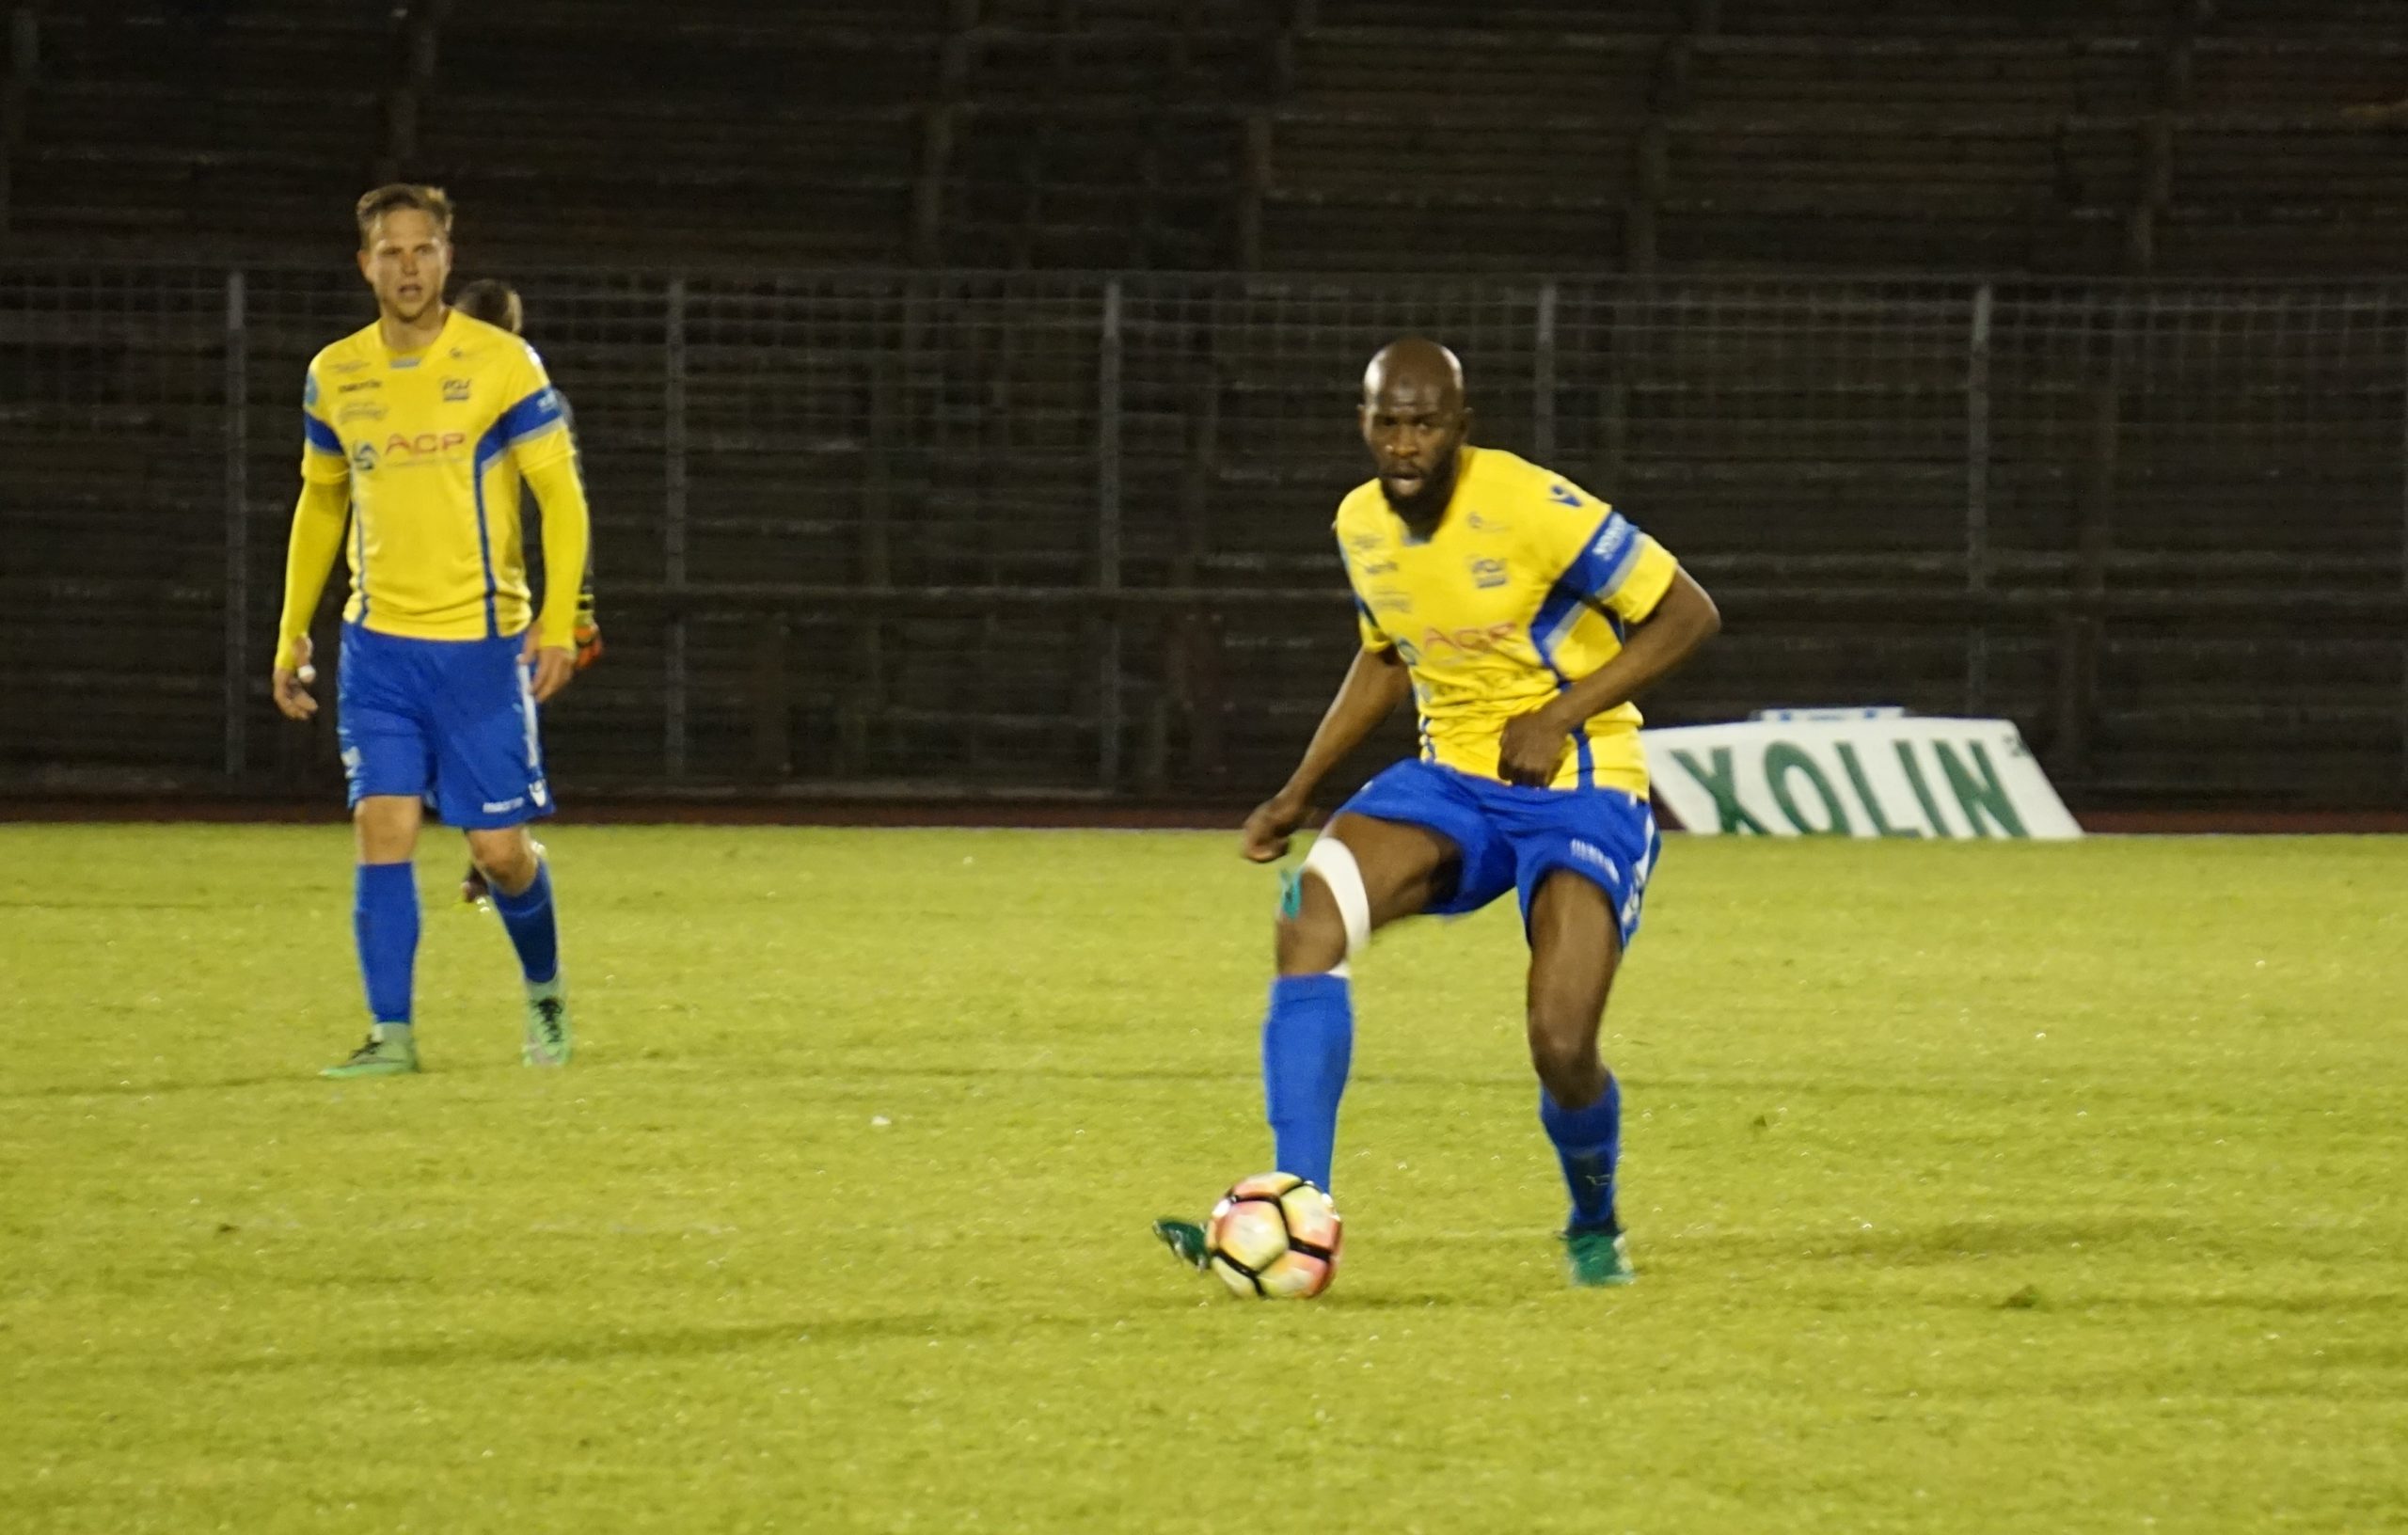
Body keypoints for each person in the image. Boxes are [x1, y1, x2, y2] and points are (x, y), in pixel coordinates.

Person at [1153, 339, 1720, 1287]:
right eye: (1388, 423)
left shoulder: (1532, 505)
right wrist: (1299, 790)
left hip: (1578, 780)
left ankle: (1593, 1220)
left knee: (1561, 1043)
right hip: (1451, 781)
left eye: (1424, 423)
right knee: (1308, 919)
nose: (1405, 443)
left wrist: (1560, 713)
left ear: (1462, 425)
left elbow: (1689, 613)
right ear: (1363, 424)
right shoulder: (1359, 525)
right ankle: (1301, 1203)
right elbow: (1385, 655)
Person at [270, 184, 593, 1077]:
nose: (406, 268)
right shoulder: (335, 373)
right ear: (364, 263)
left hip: (483, 651)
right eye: (390, 252)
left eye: (422, 251)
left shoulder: (502, 364)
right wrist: (293, 630)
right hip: (378, 649)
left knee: (497, 852)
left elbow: (560, 499)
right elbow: (320, 501)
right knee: (383, 827)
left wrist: (560, 621)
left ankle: (545, 993)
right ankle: (393, 1035)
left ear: (447, 259)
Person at [447, 278, 603, 909]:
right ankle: (492, 847)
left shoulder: (534, 402)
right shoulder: (428, 394)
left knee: (487, 724)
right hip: (441, 594)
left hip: (504, 598)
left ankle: (496, 850)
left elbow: (565, 505)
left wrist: (568, 610)